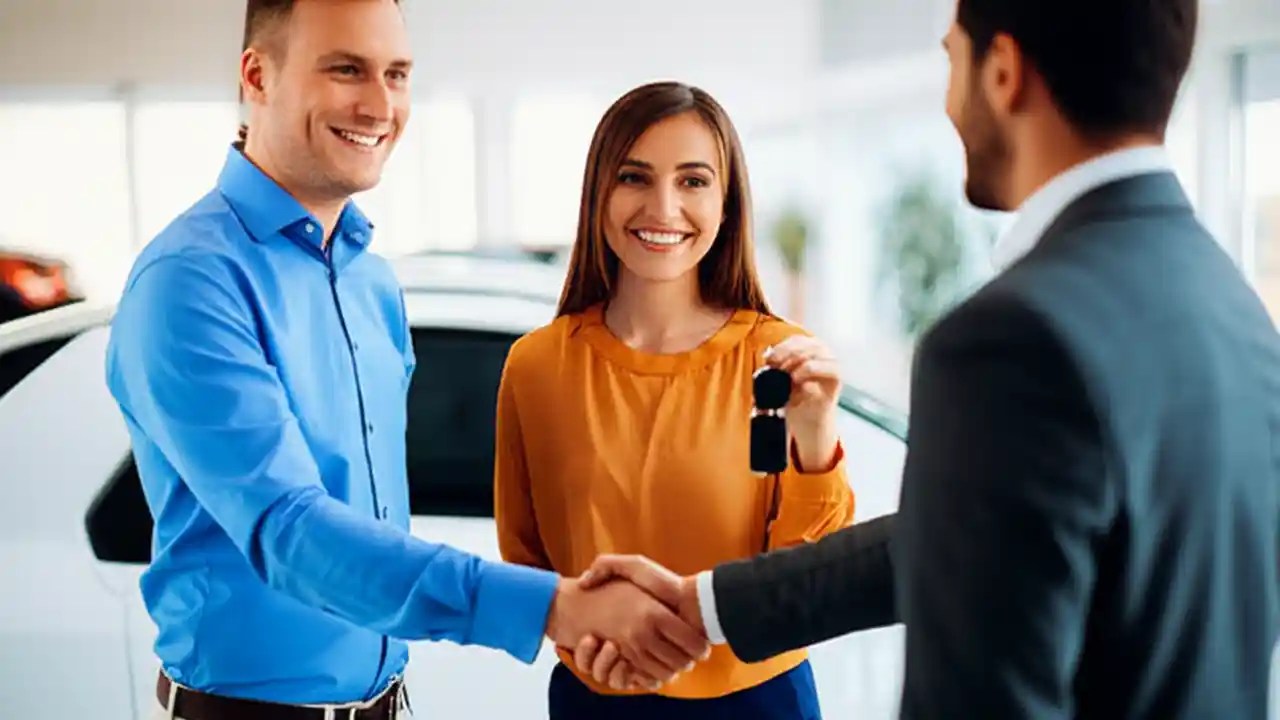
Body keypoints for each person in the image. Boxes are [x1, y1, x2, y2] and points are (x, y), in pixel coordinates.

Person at [575, 1, 1280, 718]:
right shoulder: (1230, 302)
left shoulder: (1010, 338)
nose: (949, 103)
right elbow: (983, 537)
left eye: (952, 61)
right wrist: (706, 604)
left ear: (1002, 73)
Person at [104, 2, 706, 719]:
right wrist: (554, 607)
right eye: (346, 70)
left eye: (396, 74)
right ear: (257, 76)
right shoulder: (191, 279)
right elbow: (292, 532)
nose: (380, 105)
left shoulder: (371, 281)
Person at [492, 80, 855, 720]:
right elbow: (528, 562)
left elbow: (812, 575)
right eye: (635, 177)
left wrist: (816, 431)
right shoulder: (536, 366)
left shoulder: (777, 360)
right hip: (594, 702)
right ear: (598, 193)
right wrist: (583, 634)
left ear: (727, 202)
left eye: (693, 181)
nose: (664, 207)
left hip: (760, 702)